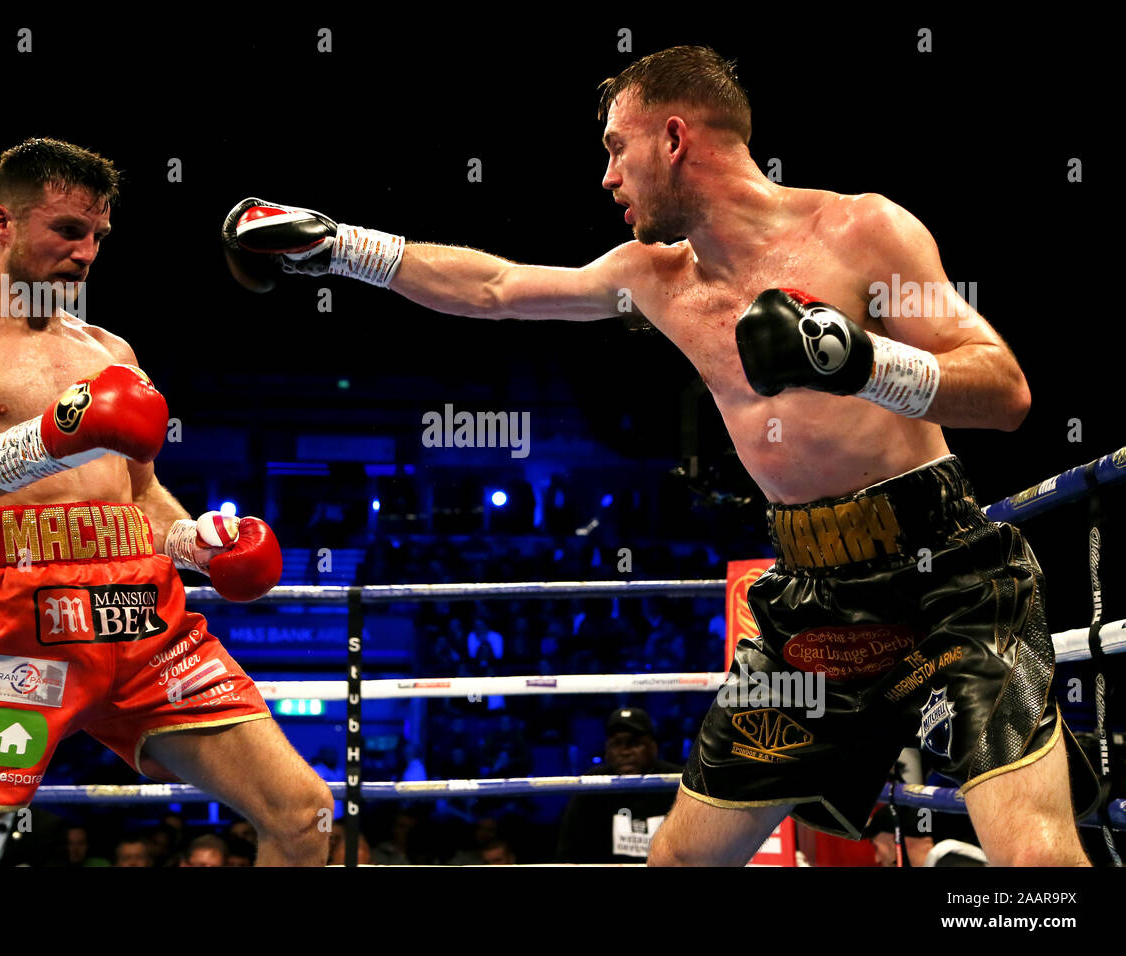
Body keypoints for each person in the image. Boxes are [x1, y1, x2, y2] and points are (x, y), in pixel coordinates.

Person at [223, 46, 1099, 866]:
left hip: (948, 575)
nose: (605, 175)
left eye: (617, 147)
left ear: (675, 137)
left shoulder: (862, 229)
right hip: (813, 604)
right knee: (678, 858)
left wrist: (860, 360)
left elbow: (1005, 389)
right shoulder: (655, 276)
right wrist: (339, 247)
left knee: (1034, 862)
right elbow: (494, 288)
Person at [0, 137, 332, 867]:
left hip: (142, 610)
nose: (85, 254)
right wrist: (49, 438)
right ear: (2, 222)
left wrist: (198, 544)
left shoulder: (112, 353)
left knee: (303, 819)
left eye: (98, 237)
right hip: (13, 614)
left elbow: (141, 493)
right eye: (67, 230)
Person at [556, 708, 684, 863]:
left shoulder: (676, 781)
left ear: (653, 747)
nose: (625, 752)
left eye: (634, 743)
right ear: (607, 750)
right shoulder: (592, 785)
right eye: (617, 744)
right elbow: (568, 854)